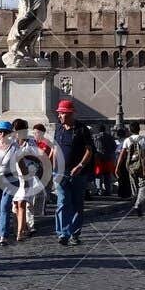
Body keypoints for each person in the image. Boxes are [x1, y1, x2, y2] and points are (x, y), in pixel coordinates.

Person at [52, 98, 95, 247]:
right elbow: (55, 149)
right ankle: (63, 233)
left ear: (70, 114)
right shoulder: (58, 129)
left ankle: (74, 234)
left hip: (78, 174)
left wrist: (81, 165)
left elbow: (89, 150)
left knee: (77, 204)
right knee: (62, 202)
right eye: (59, 113)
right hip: (60, 173)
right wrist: (52, 169)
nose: (59, 116)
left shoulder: (82, 130)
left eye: (62, 113)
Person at [13, 120, 52, 242]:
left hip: (28, 175)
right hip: (13, 175)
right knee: (15, 204)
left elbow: (36, 156)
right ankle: (19, 226)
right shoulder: (12, 142)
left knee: (26, 203)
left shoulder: (30, 142)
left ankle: (27, 227)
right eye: (15, 130)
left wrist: (23, 155)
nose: (17, 133)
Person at [117, 128, 145, 216]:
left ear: (130, 131)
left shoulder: (127, 140)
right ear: (139, 129)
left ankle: (134, 201)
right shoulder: (144, 140)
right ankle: (138, 203)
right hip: (141, 165)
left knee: (133, 185)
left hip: (131, 166)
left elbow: (122, 154)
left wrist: (117, 167)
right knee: (143, 185)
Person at [94, 123, 118, 196]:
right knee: (107, 175)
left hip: (99, 158)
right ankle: (108, 190)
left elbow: (93, 147)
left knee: (98, 175)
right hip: (108, 158)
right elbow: (114, 146)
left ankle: (99, 190)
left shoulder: (96, 137)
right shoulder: (110, 137)